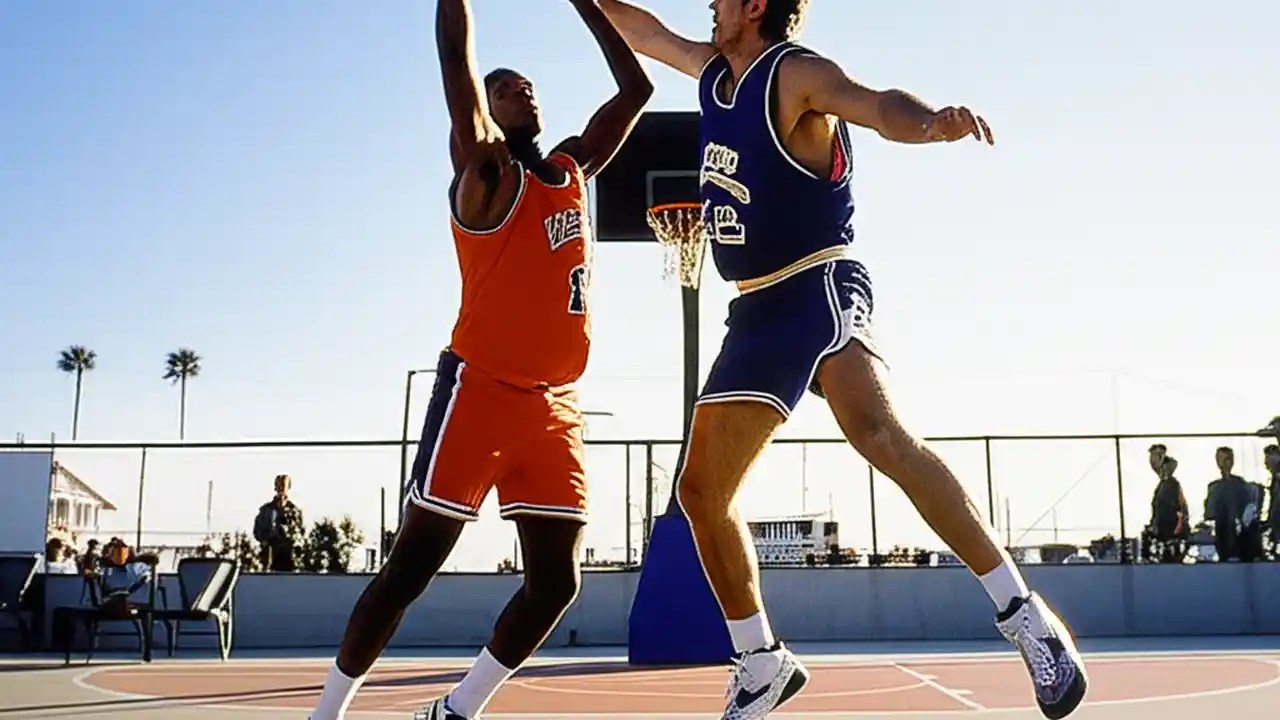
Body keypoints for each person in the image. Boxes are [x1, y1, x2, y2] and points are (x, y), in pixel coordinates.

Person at [595, 1, 1086, 718]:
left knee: (879, 435)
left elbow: (875, 104)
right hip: (755, 310)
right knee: (701, 492)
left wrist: (931, 123)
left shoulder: (795, 74)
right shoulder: (712, 72)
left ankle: (1026, 617)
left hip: (816, 282)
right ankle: (761, 660)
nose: (709, 5)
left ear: (756, 5)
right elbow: (641, 32)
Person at [308, 1, 651, 719]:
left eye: (529, 86)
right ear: (487, 112)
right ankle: (328, 712)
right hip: (480, 391)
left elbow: (636, 92)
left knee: (557, 582)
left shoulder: (570, 169)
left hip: (554, 405)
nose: (522, 91)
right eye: (505, 88)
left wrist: (585, 4)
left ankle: (458, 709)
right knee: (411, 569)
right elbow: (455, 62)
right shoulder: (487, 174)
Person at [253, 473, 305, 572]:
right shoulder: (266, 510)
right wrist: (265, 540)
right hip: (271, 552)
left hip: (289, 553)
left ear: (288, 487)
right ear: (275, 487)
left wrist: (294, 539)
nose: (281, 488)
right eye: (279, 485)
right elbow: (258, 529)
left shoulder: (294, 511)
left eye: (283, 485)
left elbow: (301, 532)